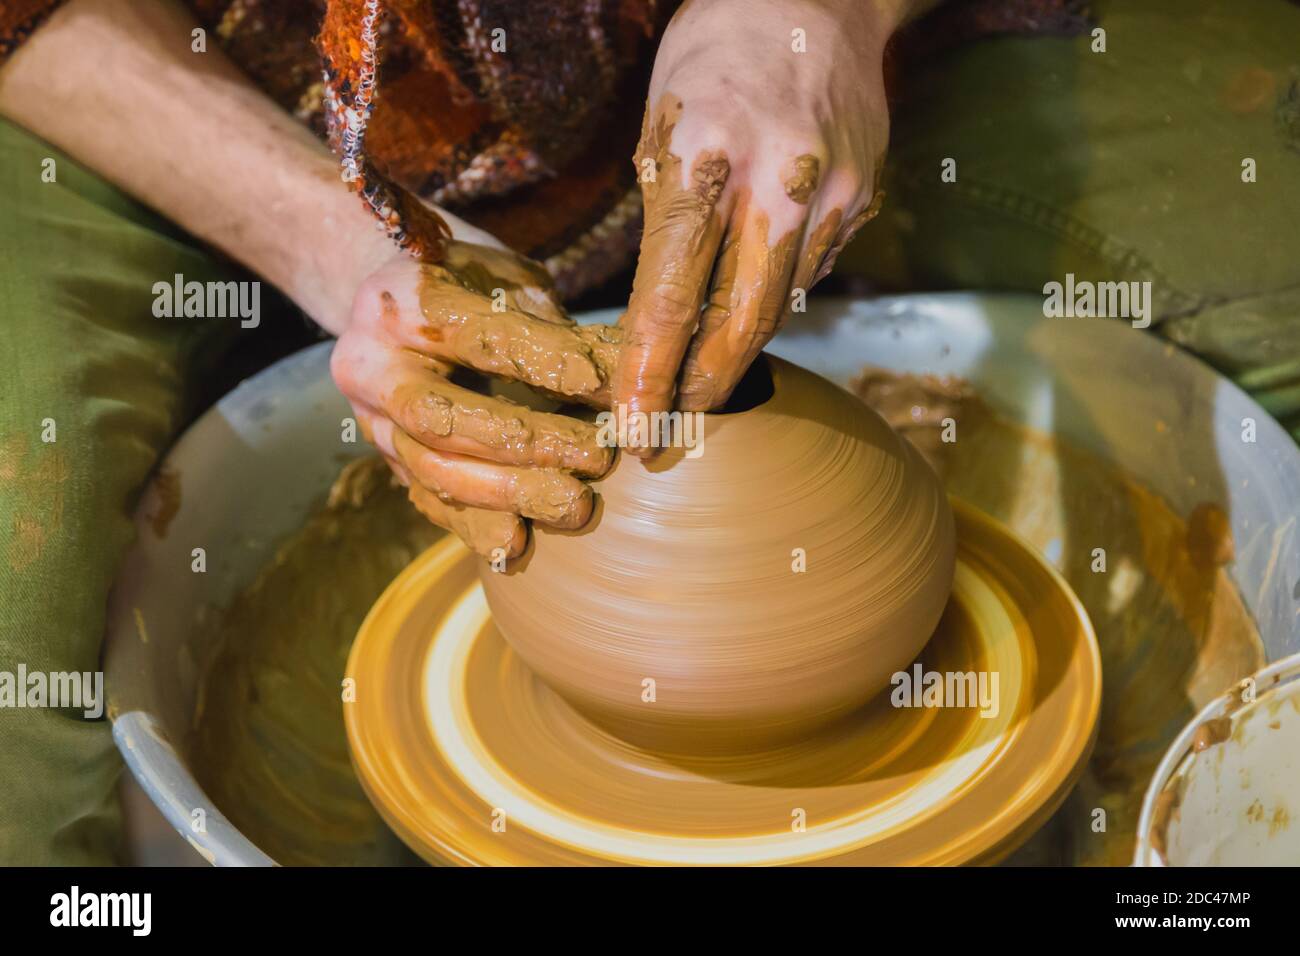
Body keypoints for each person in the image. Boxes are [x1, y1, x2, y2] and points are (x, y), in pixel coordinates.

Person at [1, 0, 1297, 865]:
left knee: (1266, 260)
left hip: (805, 46)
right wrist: (341, 244)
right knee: (21, 582)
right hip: (193, 80)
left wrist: (826, 16)